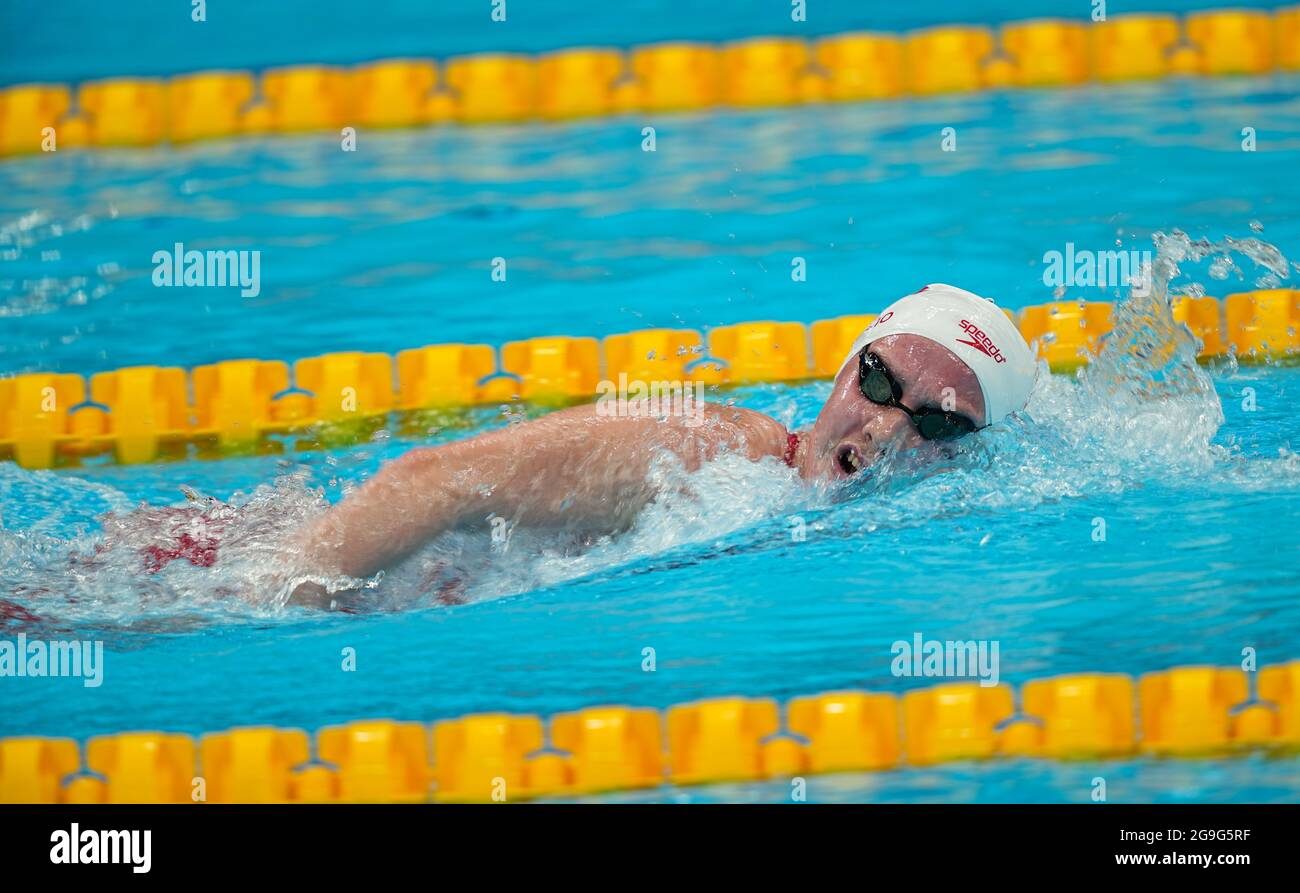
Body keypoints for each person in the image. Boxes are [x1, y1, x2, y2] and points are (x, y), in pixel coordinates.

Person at [284, 283, 1038, 605]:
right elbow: (434, 481)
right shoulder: (706, 450)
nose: (886, 430)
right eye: (879, 383)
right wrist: (283, 598)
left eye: (938, 423)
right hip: (248, 575)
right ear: (847, 366)